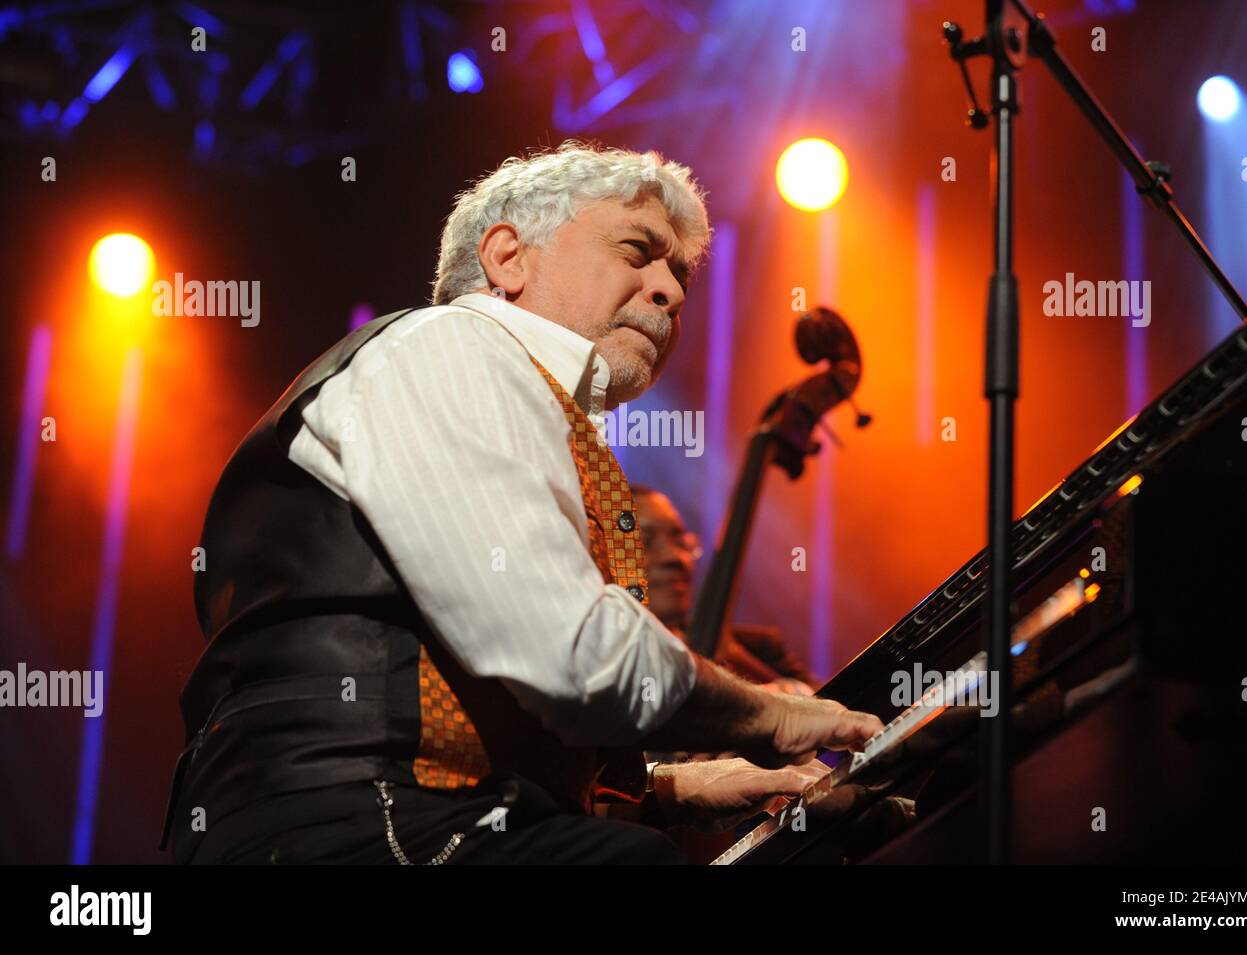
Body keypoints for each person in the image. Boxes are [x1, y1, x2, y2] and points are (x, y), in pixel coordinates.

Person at [161, 141, 883, 864]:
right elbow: (573, 655)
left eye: (679, 273)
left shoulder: (516, 397)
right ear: (509, 258)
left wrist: (670, 787)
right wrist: (774, 714)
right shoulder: (453, 347)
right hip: (350, 827)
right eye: (638, 251)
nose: (671, 290)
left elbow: (498, 727)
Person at [630, 484, 817, 695]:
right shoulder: (603, 672)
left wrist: (789, 691)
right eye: (644, 542)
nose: (676, 557)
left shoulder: (760, 649)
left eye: (680, 541)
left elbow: (836, 706)